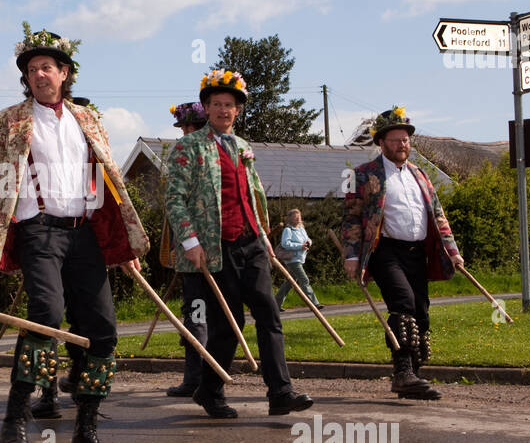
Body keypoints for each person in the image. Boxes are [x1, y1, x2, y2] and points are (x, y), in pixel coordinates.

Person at [0, 24, 148, 443]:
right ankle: (14, 423)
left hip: (84, 232)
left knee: (103, 332)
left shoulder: (87, 119)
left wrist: (124, 244)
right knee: (46, 318)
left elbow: (105, 179)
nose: (39, 75)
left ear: (65, 72)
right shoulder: (9, 123)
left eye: (46, 67)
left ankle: (86, 434)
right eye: (31, 70)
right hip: (39, 232)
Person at [164, 70, 313, 419]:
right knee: (229, 326)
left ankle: (280, 392)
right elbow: (175, 199)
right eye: (216, 104)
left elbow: (253, 197)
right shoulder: (188, 147)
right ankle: (210, 390)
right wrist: (190, 241)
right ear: (206, 108)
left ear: (238, 110)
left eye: (229, 105)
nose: (223, 110)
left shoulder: (244, 147)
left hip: (252, 243)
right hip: (216, 249)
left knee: (269, 314)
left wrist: (263, 236)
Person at [340, 106, 464, 400]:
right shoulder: (360, 175)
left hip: (417, 251)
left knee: (421, 311)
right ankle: (402, 372)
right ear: (381, 143)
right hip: (384, 251)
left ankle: (415, 376)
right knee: (403, 302)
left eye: (405, 139)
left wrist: (452, 251)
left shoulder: (420, 175)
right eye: (395, 140)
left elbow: (438, 214)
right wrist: (351, 255)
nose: (402, 144)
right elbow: (350, 217)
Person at [161, 101, 210, 399]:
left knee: (201, 316)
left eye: (188, 127)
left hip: (209, 255)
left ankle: (201, 378)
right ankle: (196, 377)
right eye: (182, 128)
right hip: (191, 258)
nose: (184, 133)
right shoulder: (185, 155)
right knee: (196, 313)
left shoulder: (206, 155)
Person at [275, 208, 322, 310]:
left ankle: (275, 304)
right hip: (292, 259)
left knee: (290, 282)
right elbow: (285, 244)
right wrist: (300, 246)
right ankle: (314, 303)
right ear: (290, 219)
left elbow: (308, 239)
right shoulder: (288, 230)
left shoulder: (301, 229)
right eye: (295, 217)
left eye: (299, 217)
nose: (298, 219)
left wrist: (308, 243)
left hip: (300, 258)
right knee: (304, 280)